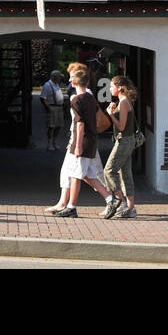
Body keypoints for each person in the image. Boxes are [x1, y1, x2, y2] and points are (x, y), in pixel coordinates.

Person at [44, 62, 113, 217]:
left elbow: (80, 123)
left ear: (75, 81)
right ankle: (110, 198)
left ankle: (72, 206)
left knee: (77, 174)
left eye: (71, 77)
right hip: (89, 139)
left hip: (81, 141)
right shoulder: (89, 97)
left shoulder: (76, 99)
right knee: (88, 174)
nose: (68, 80)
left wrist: (78, 146)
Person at [101, 75, 140, 219]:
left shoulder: (123, 103)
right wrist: (114, 110)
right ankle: (131, 207)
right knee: (125, 173)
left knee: (109, 170)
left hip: (124, 141)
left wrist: (111, 115)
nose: (110, 89)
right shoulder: (124, 102)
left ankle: (120, 202)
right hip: (127, 141)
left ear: (119, 88)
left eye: (112, 86)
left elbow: (121, 126)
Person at [39, 70, 65, 151]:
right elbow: (42, 98)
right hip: (53, 107)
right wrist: (48, 108)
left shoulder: (56, 84)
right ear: (55, 77)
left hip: (59, 108)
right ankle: (49, 144)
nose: (60, 78)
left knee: (59, 126)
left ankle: (54, 142)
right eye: (59, 76)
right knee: (51, 127)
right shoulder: (47, 85)